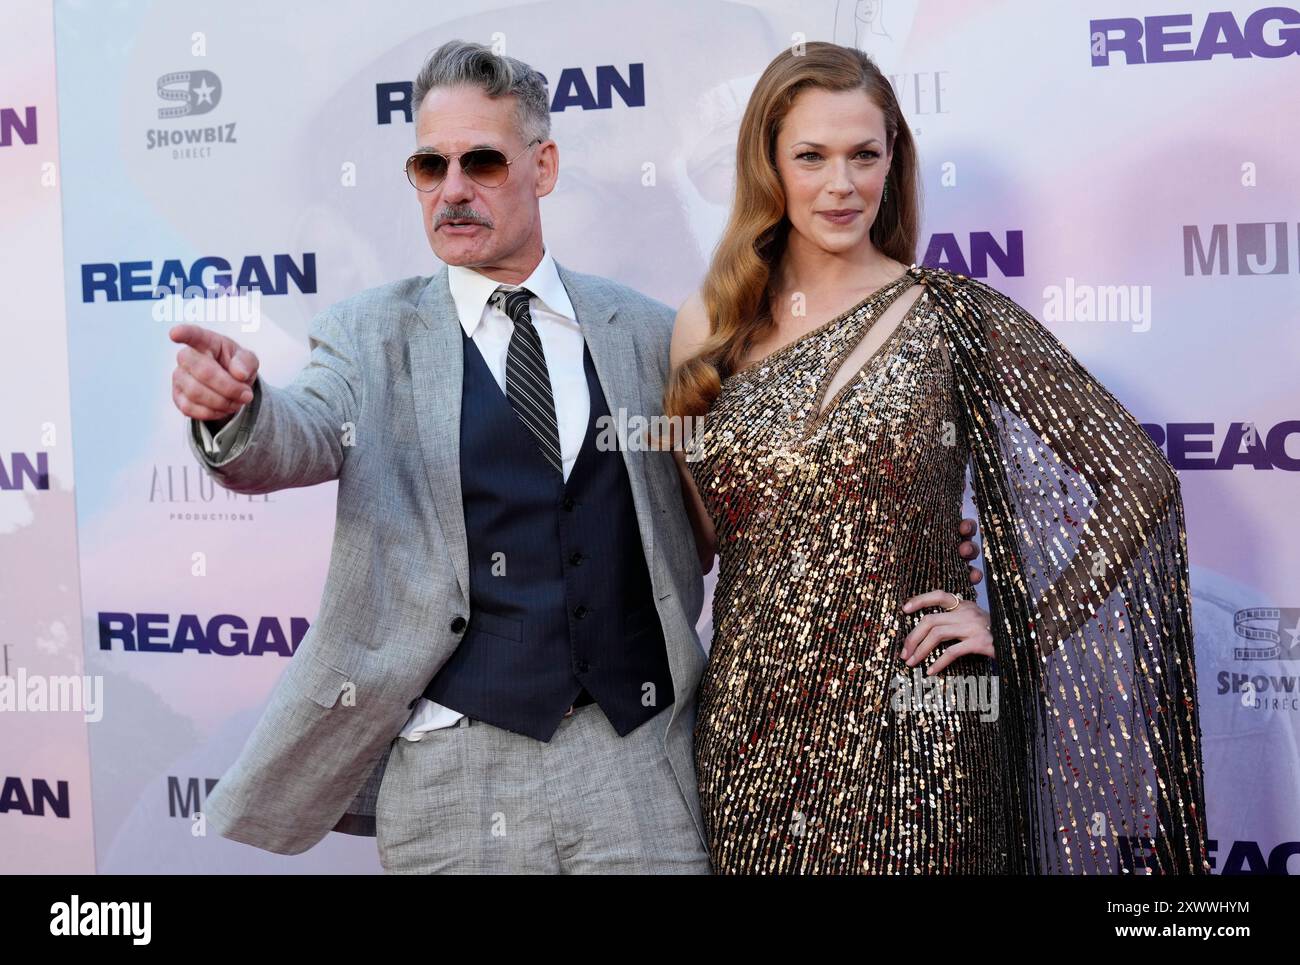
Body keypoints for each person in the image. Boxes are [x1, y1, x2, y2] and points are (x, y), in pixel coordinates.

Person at [168, 38, 989, 874]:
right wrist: (240, 411)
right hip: (457, 777)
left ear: (544, 166)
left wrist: (890, 533)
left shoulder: (643, 327)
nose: (453, 190)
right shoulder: (371, 334)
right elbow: (298, 433)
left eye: (481, 161)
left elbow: (729, 505)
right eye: (429, 166)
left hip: (637, 763)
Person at [665, 42, 1212, 874]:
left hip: (923, 719)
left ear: (894, 162)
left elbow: (1138, 479)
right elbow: (703, 537)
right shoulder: (708, 322)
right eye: (811, 156)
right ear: (769, 165)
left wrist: (1017, 626)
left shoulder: (953, 316)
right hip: (756, 724)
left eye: (864, 155)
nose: (840, 184)